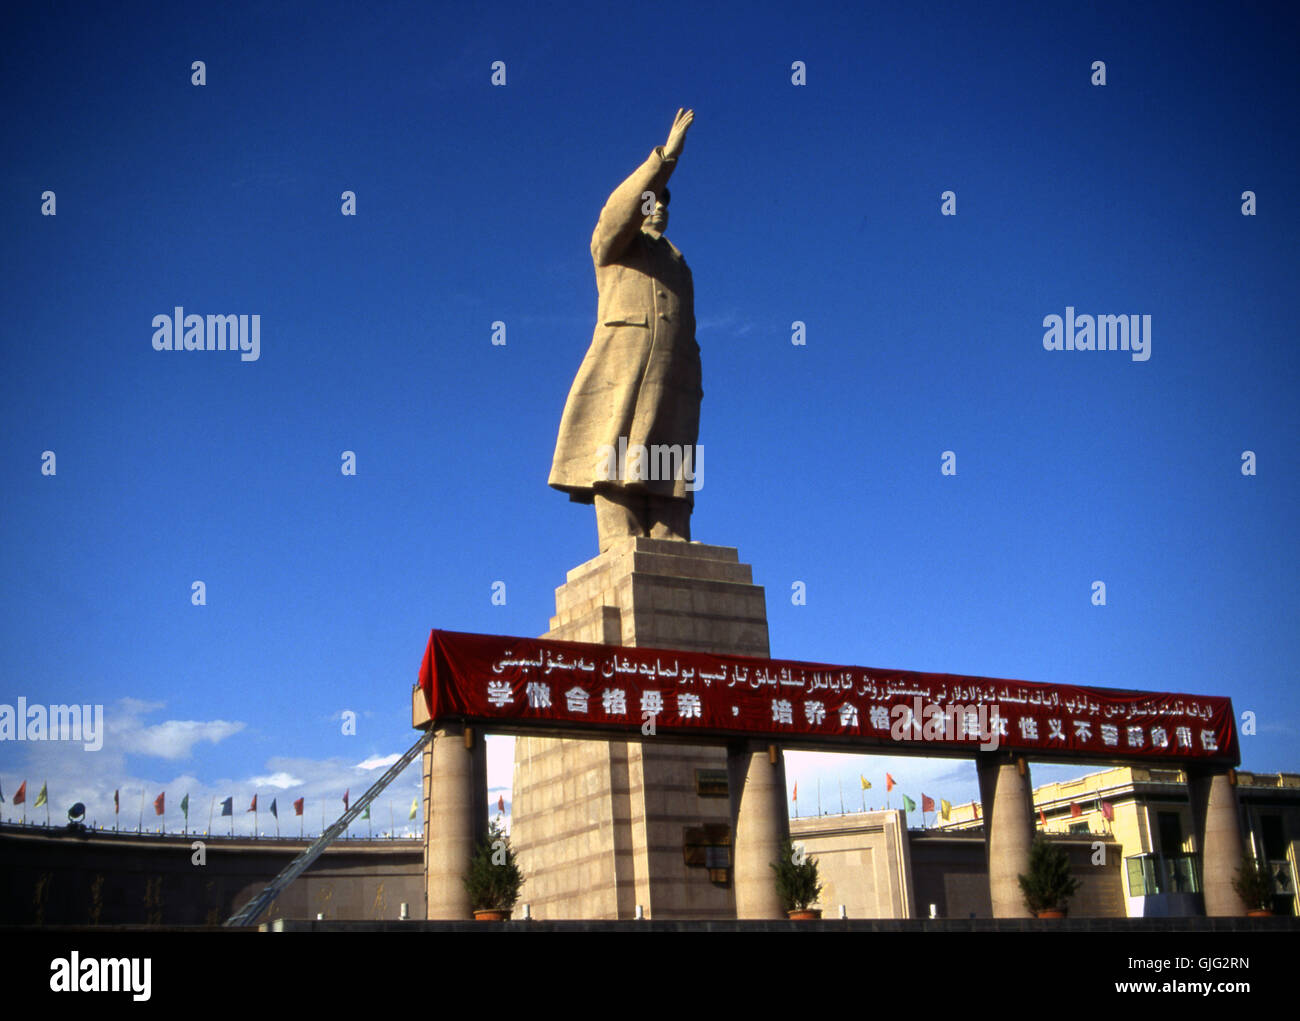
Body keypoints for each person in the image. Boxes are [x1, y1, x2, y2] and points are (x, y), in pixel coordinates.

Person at [549, 109, 701, 552]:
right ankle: (621, 544)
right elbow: (618, 214)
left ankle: (672, 544)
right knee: (616, 465)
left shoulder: (679, 265)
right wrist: (664, 161)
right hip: (624, 372)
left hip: (673, 382)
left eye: (662, 204)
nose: (656, 210)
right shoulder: (613, 249)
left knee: (669, 475)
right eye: (649, 202)